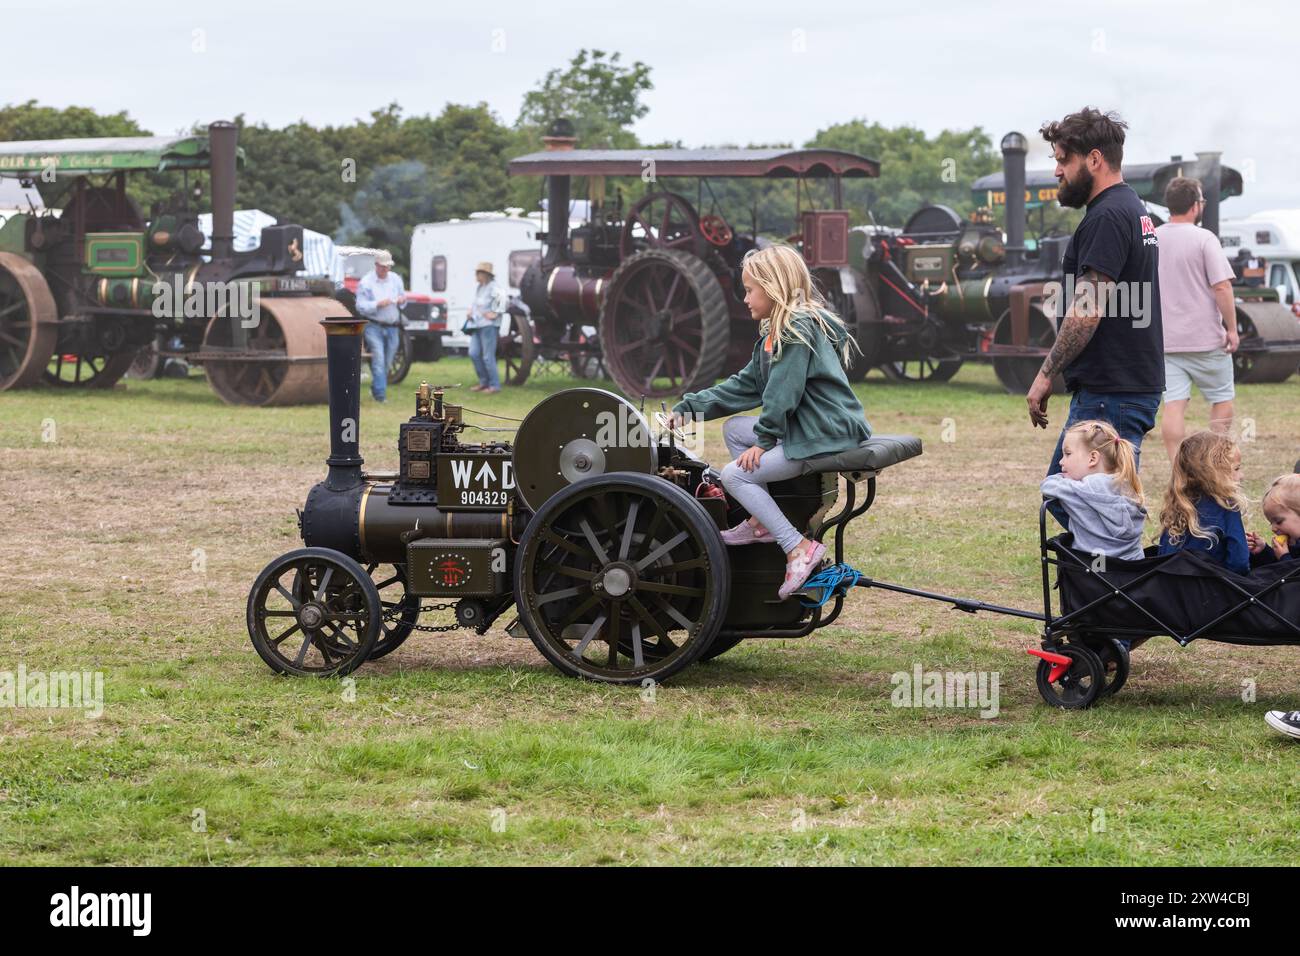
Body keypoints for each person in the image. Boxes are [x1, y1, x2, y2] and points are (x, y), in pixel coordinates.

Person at [667, 245, 870, 600]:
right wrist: (691, 408)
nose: (744, 298)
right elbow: (747, 384)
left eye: (749, 290)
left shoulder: (796, 329)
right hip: (810, 429)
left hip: (822, 435)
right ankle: (760, 521)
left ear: (774, 286)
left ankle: (797, 549)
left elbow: (782, 393)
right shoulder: (776, 333)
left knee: (734, 475)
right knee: (733, 430)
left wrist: (764, 440)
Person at [1025, 108, 1164, 528]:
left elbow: (1087, 309)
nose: (1056, 171)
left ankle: (1113, 587)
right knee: (1087, 503)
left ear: (1094, 159)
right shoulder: (1133, 209)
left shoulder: (1106, 216)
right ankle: (1104, 586)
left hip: (1112, 393)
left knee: (1076, 501)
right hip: (1123, 386)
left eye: (1062, 160)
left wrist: (1047, 373)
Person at [1155, 177, 1240, 462]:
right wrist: (1232, 329)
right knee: (1221, 398)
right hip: (1206, 340)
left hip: (1166, 341)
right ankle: (1215, 463)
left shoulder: (1153, 238)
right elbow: (1222, 286)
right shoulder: (1205, 239)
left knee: (1173, 405)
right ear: (1194, 206)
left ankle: (1176, 469)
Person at [1039, 420, 1147, 561]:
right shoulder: (1127, 484)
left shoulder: (1078, 491)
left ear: (1093, 458)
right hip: (1132, 573)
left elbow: (1048, 485)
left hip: (1094, 574)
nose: (1061, 462)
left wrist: (1065, 478)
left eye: (1067, 454)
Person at [1156, 431, 1249, 574]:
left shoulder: (1177, 505)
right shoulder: (1227, 507)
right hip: (1215, 589)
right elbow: (1239, 562)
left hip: (1172, 591)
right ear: (1215, 473)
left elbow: (1163, 557)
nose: (1241, 476)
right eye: (1236, 469)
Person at [355, 250, 406, 403]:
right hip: (374, 325)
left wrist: (403, 300)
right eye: (382, 266)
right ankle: (380, 395)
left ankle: (375, 387)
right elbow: (360, 306)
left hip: (393, 326)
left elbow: (403, 297)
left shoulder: (396, 279)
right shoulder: (366, 282)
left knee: (387, 362)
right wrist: (377, 304)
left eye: (387, 267)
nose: (385, 269)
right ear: (376, 265)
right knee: (379, 359)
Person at [464, 261, 507, 394]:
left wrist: (495, 314)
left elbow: (502, 301)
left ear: (486, 274)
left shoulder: (494, 287)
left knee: (488, 357)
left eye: (478, 273)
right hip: (477, 324)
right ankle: (484, 382)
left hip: (489, 326)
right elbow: (476, 303)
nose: (476, 275)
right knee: (474, 353)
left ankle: (494, 385)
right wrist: (471, 311)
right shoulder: (480, 287)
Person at [1247, 473, 1300, 567]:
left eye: (1279, 521)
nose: (1273, 528)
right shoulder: (1293, 542)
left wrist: (1285, 558)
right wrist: (1264, 551)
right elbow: (1275, 568)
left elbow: (1294, 577)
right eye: (1271, 523)